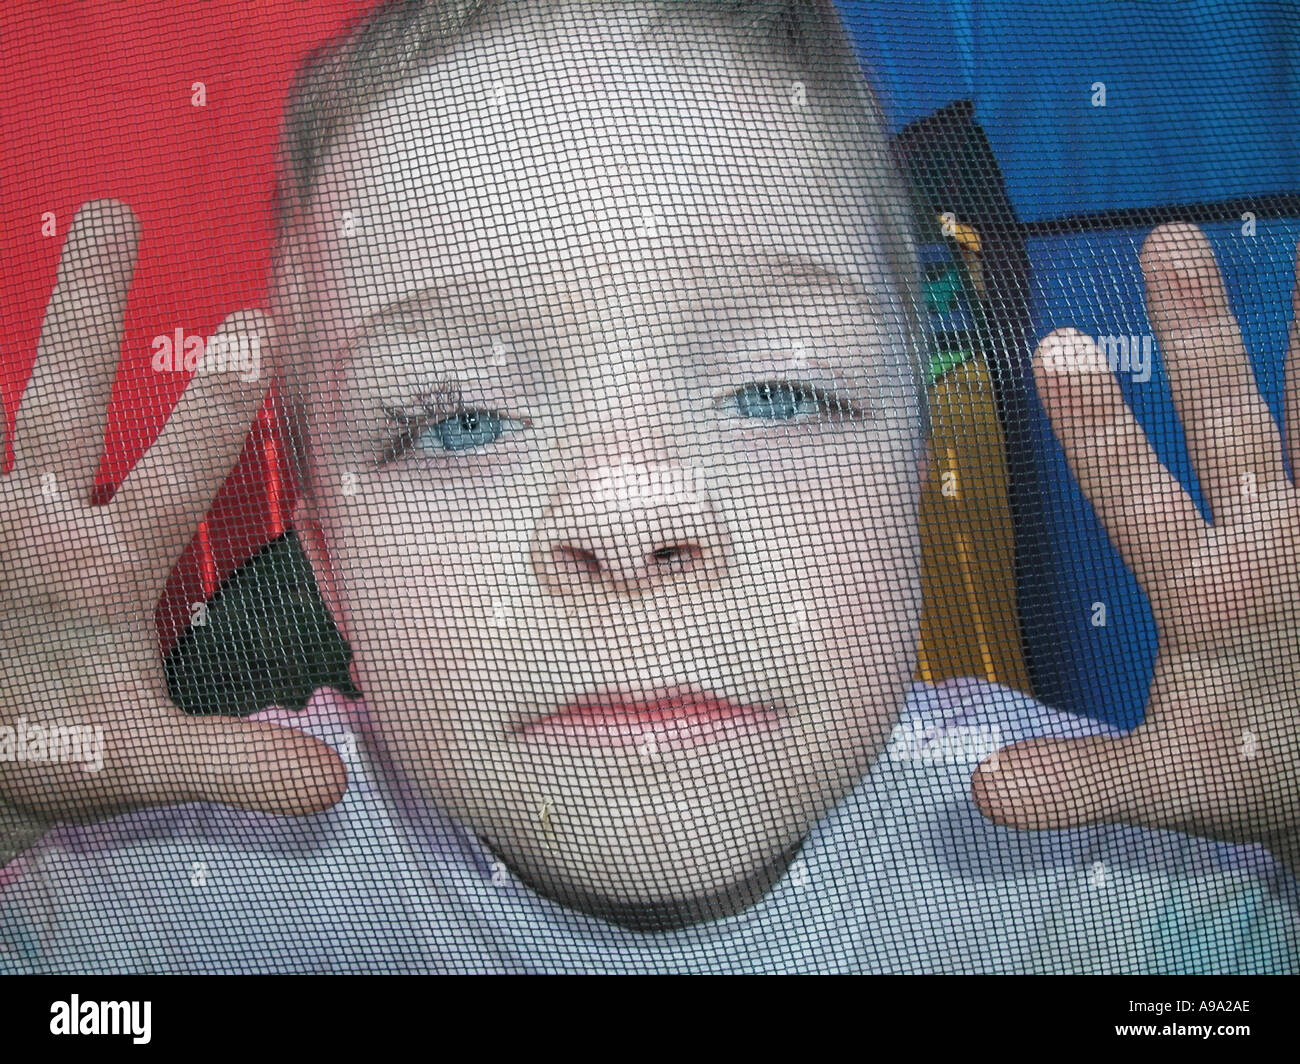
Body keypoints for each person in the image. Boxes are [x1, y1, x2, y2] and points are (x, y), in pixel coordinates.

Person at [0, 0, 1297, 972]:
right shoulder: (176, 905)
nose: (631, 512)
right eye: (457, 423)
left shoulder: (1114, 879)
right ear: (331, 565)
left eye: (777, 393)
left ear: (911, 481)